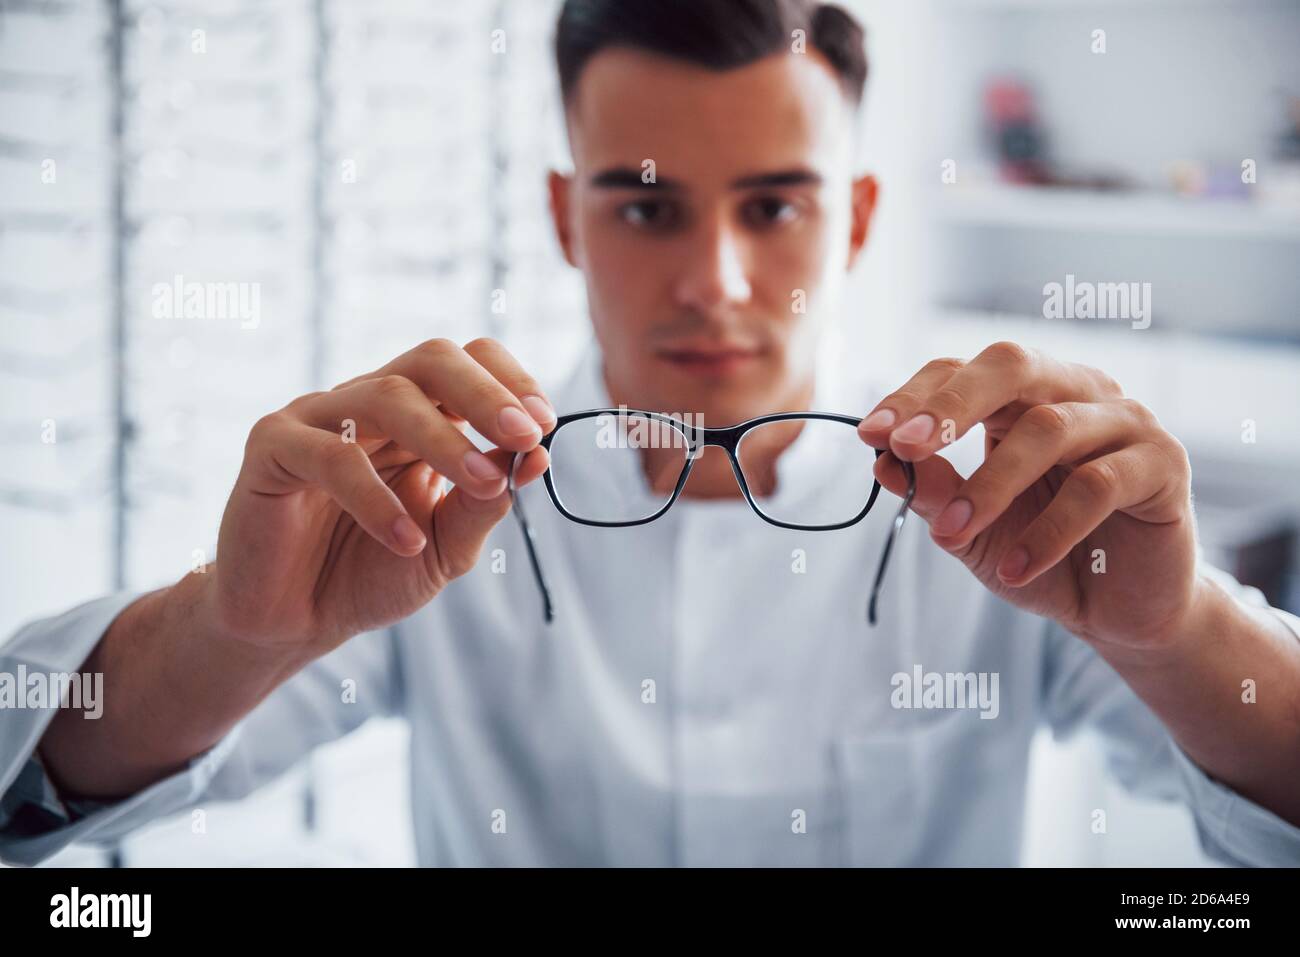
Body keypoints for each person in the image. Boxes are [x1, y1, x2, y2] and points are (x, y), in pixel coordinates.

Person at [2, 0, 1298, 867]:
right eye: (646, 209)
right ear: (568, 218)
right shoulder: (426, 510)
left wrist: (1184, 632)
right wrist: (228, 633)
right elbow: (37, 792)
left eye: (775, 207)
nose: (717, 281)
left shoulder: (1008, 519)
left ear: (852, 221)